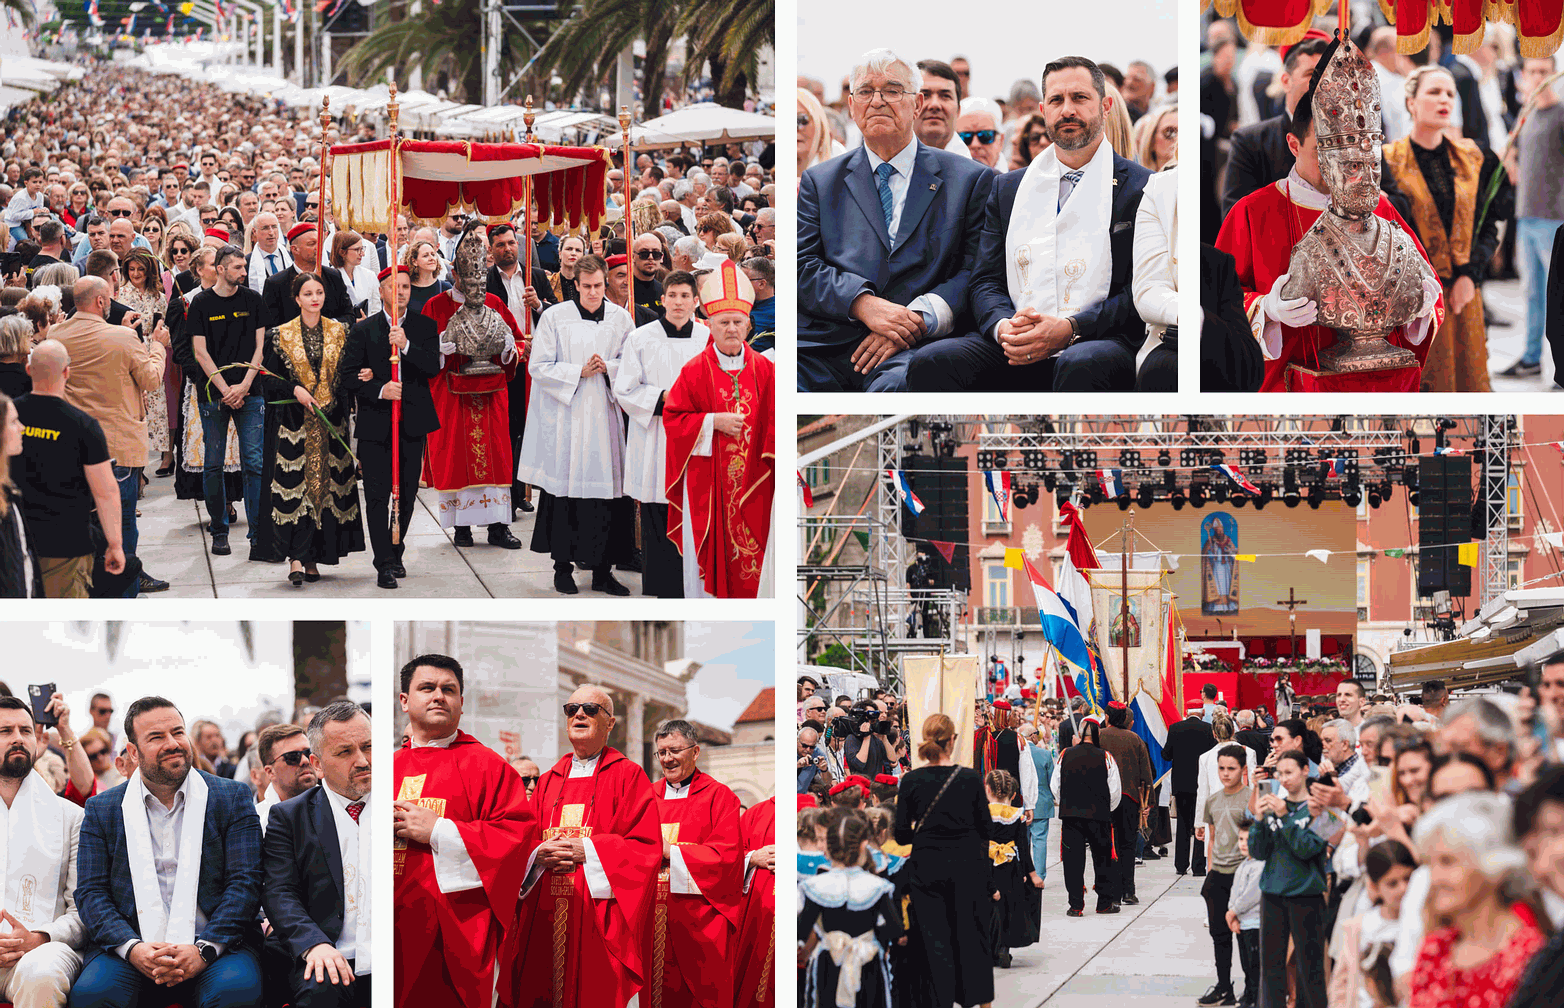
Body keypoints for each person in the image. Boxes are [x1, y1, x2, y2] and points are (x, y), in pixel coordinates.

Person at [906, 56, 1154, 393]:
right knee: (933, 361)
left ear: (1106, 105)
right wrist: (1004, 327)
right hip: (1015, 337)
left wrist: (1069, 328)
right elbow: (985, 281)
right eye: (1056, 100)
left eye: (1079, 98)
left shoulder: (1142, 186)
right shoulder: (1008, 188)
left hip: (1099, 337)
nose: (1067, 110)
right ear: (1043, 109)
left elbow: (1138, 290)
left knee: (1080, 363)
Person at [1214, 38, 1443, 392]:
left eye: (1354, 153)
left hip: (1374, 381)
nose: (1343, 167)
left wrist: (1421, 309)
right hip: (1287, 383)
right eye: (1325, 150)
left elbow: (1429, 291)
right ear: (1294, 145)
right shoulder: (1252, 212)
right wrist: (1266, 310)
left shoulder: (1381, 208)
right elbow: (1216, 299)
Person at [796, 47, 994, 391]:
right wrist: (863, 304)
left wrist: (913, 321)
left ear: (916, 104)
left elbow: (976, 271)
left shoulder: (970, 179)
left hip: (918, 346)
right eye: (866, 92)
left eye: (891, 90)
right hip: (825, 345)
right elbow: (803, 266)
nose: (878, 101)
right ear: (852, 107)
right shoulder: (821, 181)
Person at [71, 696, 265, 1008]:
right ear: (132, 752)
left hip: (218, 944)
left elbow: (246, 884)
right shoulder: (102, 809)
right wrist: (134, 949)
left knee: (234, 995)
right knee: (94, 997)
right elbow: (91, 893)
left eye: (178, 732)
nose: (173, 743)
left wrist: (203, 950)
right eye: (157, 737)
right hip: (131, 948)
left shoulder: (231, 797)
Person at [499, 685, 661, 1008]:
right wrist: (537, 854)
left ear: (610, 723)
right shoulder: (548, 781)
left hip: (597, 924)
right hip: (543, 917)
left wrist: (587, 850)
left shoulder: (629, 777)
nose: (579, 714)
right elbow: (519, 842)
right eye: (571, 710)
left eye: (589, 708)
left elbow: (646, 848)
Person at [394, 654, 535, 1008]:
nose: (439, 696)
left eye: (449, 689)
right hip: (387, 930)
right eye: (427, 688)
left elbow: (517, 838)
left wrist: (439, 831)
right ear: (404, 701)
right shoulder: (383, 768)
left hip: (455, 932)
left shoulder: (488, 766)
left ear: (461, 702)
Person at [1381, 65, 1510, 391]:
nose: (1444, 100)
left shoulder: (1475, 157)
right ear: (1411, 102)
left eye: (1450, 93)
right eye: (1434, 92)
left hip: (1466, 295)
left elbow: (1489, 223)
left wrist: (1470, 274)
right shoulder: (1388, 160)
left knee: (1471, 381)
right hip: (1415, 300)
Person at [515, 252, 636, 595]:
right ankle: (562, 569)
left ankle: (603, 572)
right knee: (565, 494)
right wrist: (578, 371)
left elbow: (631, 364)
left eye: (599, 285)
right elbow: (538, 366)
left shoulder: (621, 318)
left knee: (608, 497)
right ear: (576, 286)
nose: (594, 293)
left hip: (605, 418)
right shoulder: (556, 317)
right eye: (587, 287)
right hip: (568, 418)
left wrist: (609, 368)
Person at [49, 276, 171, 595]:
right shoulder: (122, 338)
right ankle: (124, 588)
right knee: (123, 522)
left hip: (71, 447)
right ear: (102, 302)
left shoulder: (56, 334)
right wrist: (157, 345)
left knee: (83, 521)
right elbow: (150, 379)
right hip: (117, 446)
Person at [663, 261, 776, 598]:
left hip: (757, 484)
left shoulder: (766, 370)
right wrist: (712, 422)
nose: (731, 329)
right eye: (723, 322)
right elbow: (673, 419)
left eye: (737, 322)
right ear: (708, 324)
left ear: (748, 324)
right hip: (709, 483)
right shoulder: (694, 371)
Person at [421, 223, 526, 552]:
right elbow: (421, 360)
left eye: (479, 271)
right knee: (457, 457)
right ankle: (462, 527)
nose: (473, 279)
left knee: (496, 454)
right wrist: (439, 349)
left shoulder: (495, 301)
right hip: (452, 397)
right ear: (454, 270)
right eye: (466, 271)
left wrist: (509, 348)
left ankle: (499, 526)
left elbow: (519, 344)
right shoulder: (436, 307)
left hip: (491, 393)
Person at [257, 271, 366, 584]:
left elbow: (350, 372)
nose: (314, 298)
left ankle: (314, 558)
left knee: (325, 491)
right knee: (296, 491)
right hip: (293, 424)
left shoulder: (341, 331)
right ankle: (295, 558)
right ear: (296, 298)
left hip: (332, 421)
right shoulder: (278, 335)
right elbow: (267, 379)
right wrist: (294, 390)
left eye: (319, 292)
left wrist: (365, 376)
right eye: (307, 293)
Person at [261, 701, 372, 1008]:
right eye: (345, 752)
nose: (363, 760)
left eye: (368, 746)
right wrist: (313, 944)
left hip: (391, 951)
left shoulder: (400, 805)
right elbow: (280, 892)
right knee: (321, 992)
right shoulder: (290, 817)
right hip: (325, 951)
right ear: (318, 763)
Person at [343, 266, 440, 589]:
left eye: (405, 287)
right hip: (375, 424)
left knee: (408, 494)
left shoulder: (424, 326)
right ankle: (383, 561)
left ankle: (396, 551)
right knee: (377, 496)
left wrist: (407, 345)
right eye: (393, 287)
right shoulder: (363, 330)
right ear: (381, 291)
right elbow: (349, 377)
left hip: (412, 421)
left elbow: (431, 368)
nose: (400, 292)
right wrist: (380, 388)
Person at [613, 270, 708, 597]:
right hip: (656, 436)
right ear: (663, 299)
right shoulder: (641, 338)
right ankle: (662, 586)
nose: (679, 302)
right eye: (673, 296)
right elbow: (624, 388)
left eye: (686, 296)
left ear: (696, 301)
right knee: (658, 511)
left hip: (696, 438)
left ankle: (692, 586)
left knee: (693, 513)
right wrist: (663, 398)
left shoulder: (707, 339)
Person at [1407, 791, 1545, 1008]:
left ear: (1494, 865)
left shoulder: (1530, 955)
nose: (1435, 878)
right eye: (1429, 864)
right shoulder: (1435, 948)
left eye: (1447, 861)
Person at [891, 714, 993, 1007]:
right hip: (967, 868)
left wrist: (929, 835)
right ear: (951, 741)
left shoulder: (911, 780)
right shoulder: (970, 778)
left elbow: (900, 835)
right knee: (971, 937)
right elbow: (986, 828)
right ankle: (978, 1000)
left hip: (927, 870)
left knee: (935, 941)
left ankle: (940, 1000)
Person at [642, 720, 743, 1007]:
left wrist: (669, 852)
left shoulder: (720, 797)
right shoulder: (646, 796)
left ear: (695, 751)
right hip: (651, 922)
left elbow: (727, 859)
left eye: (674, 750)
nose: (667, 759)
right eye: (661, 752)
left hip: (698, 926)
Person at [12, 340, 125, 597]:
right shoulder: (83, 425)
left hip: (16, 540)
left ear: (29, 370)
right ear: (67, 372)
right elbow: (105, 491)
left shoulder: (10, 416)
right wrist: (115, 544)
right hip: (65, 544)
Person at [186, 245, 266, 559]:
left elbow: (260, 347)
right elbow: (200, 352)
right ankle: (219, 531)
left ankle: (258, 536)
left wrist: (244, 385)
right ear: (220, 268)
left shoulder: (253, 299)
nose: (242, 272)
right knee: (213, 464)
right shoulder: (201, 303)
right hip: (212, 395)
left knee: (254, 465)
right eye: (236, 267)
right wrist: (224, 389)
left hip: (250, 391)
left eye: (243, 266)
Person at [1248, 750, 1331, 1008]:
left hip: (1306, 895)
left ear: (1306, 771)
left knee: (1310, 965)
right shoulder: (1273, 805)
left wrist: (1284, 816)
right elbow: (1257, 851)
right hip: (1273, 893)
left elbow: (1307, 848)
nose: (1283, 779)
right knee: (1271, 964)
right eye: (1279, 773)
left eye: (1289, 773)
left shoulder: (1319, 808)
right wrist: (1260, 820)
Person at [797, 809, 901, 1008]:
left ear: (828, 846)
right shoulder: (876, 886)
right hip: (867, 961)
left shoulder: (817, 886)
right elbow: (895, 929)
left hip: (829, 962)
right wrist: (873, 935)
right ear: (863, 845)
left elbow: (801, 931)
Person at [1221, 35, 1330, 216]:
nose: (1321, 83)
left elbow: (1391, 197)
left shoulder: (1356, 135)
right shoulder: (1249, 142)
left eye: (1328, 75)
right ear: (1286, 81)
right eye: (1311, 74)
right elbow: (1235, 217)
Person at [1504, 56, 1564, 380]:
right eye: (1532, 71)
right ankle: (1530, 358)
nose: (1538, 77)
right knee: (1532, 293)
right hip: (1526, 215)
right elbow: (1512, 152)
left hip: (1555, 218)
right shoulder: (1526, 115)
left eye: (1544, 71)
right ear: (1524, 75)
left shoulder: (1561, 114)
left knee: (1558, 298)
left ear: (1553, 74)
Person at [1328, 839, 1414, 1008]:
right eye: (1392, 883)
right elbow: (1341, 985)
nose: (1403, 888)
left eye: (1408, 878)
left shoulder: (1424, 924)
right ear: (1374, 887)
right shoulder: (1359, 928)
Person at [1198, 745, 1253, 1007]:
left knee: (1245, 937)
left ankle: (1252, 989)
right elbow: (1212, 838)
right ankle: (1224, 987)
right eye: (1221, 768)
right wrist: (1210, 872)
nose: (1225, 774)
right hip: (1217, 875)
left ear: (1243, 770)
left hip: (1242, 876)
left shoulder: (1252, 799)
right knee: (1220, 936)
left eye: (1231, 769)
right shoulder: (1213, 800)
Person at [1052, 718, 1122, 916]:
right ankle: (1104, 903)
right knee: (1103, 859)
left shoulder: (1065, 754)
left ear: (1080, 735)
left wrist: (1065, 802)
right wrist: (1106, 809)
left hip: (1071, 815)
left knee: (1072, 860)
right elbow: (1115, 790)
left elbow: (1055, 785)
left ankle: (1075, 905)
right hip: (1098, 815)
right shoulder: (1105, 756)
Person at [985, 769, 1041, 969]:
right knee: (1007, 908)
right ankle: (1004, 948)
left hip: (987, 865)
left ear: (987, 789)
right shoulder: (1016, 815)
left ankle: (990, 948)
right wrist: (1032, 874)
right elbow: (1023, 847)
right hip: (1009, 867)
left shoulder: (981, 813)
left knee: (988, 907)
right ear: (1014, 794)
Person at [1100, 701, 1154, 905]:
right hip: (1130, 798)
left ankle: (1111, 893)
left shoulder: (1098, 736)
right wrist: (1148, 803)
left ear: (1107, 717)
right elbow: (1145, 773)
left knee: (1106, 846)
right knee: (1128, 846)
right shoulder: (1134, 739)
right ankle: (1128, 891)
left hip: (1103, 800)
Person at [261, 224, 354, 331]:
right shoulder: (276, 283)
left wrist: (327, 326)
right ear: (295, 249)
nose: (318, 248)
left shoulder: (333, 276)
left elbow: (349, 315)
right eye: (311, 244)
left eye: (319, 243)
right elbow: (270, 326)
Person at [732, 797, 774, 1008]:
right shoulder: (755, 814)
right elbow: (727, 856)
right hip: (754, 914)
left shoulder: (809, 809)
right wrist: (753, 857)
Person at [1165, 706, 1216, 875]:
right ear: (1202, 714)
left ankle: (1180, 864)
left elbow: (1166, 754)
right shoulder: (1209, 729)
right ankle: (1198, 866)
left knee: (1183, 824)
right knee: (1200, 823)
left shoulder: (1175, 728)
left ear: (1186, 714)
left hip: (1181, 785)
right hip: (1201, 784)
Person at [1224, 827, 1264, 1008]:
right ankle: (1249, 994)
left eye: (1248, 839)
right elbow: (1235, 892)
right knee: (1246, 965)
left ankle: (1255, 998)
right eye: (1241, 839)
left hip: (1254, 923)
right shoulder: (1243, 865)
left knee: (1255, 966)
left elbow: (1251, 895)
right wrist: (1233, 915)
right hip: (1241, 923)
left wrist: (1233, 912)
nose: (1244, 844)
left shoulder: (1259, 865)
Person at [255, 722, 318, 831]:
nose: (305, 761)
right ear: (270, 772)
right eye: (293, 757)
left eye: (308, 753)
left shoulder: (337, 805)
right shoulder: (258, 823)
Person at [330, 231, 379, 321]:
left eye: (362, 249)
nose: (362, 254)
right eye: (357, 250)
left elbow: (376, 308)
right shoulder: (330, 276)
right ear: (342, 252)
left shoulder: (369, 275)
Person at [246, 213, 292, 295]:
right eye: (265, 228)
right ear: (254, 231)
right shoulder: (247, 263)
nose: (271, 232)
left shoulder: (291, 257)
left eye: (274, 227)